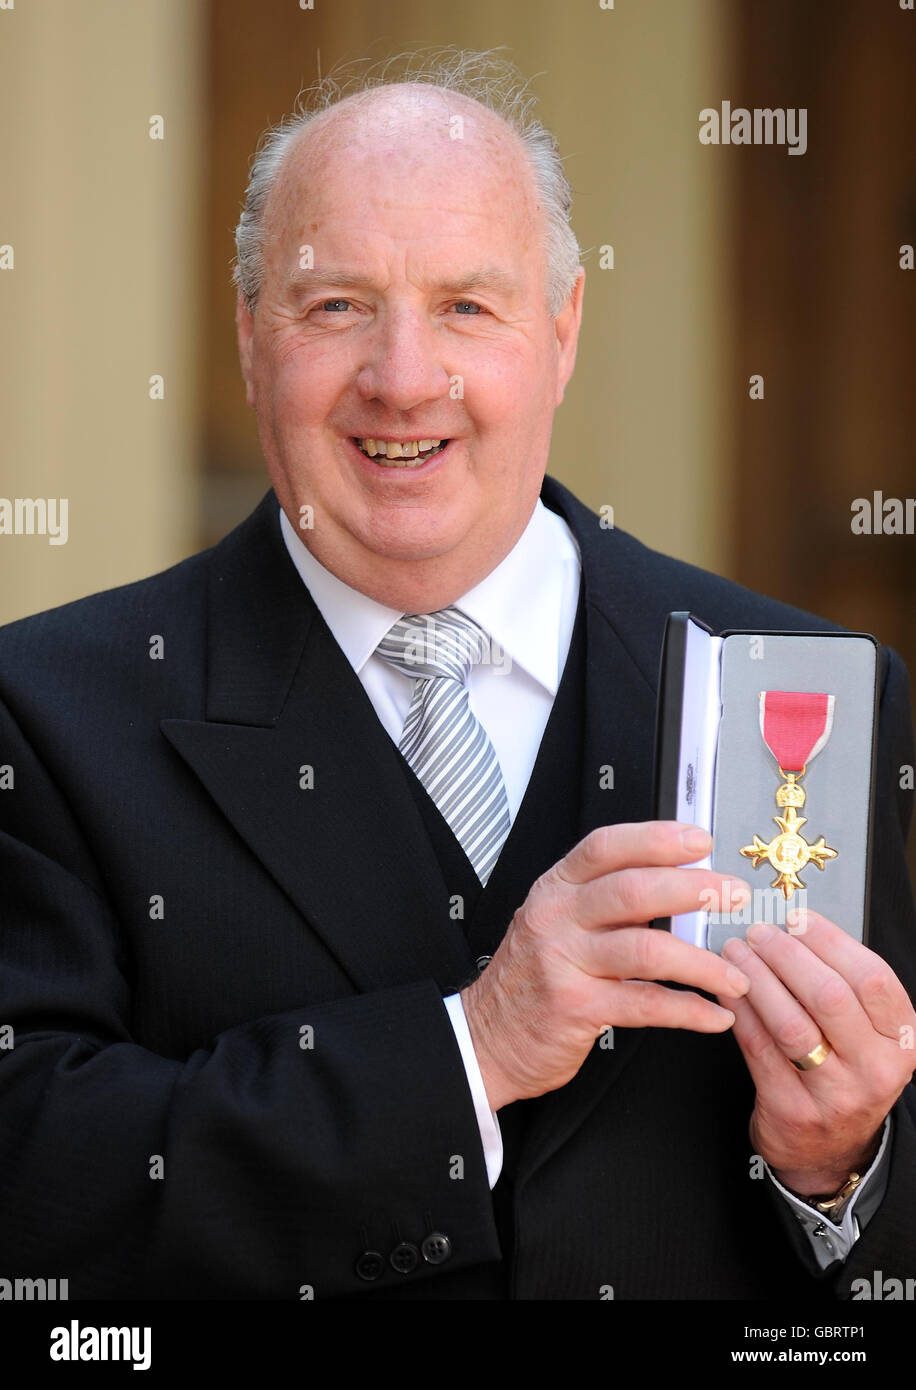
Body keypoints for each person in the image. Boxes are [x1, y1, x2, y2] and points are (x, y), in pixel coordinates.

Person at [0, 52, 914, 1301]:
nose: (403, 378)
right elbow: (36, 1188)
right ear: (248, 335)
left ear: (562, 328)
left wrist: (835, 1167)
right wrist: (465, 1051)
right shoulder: (49, 711)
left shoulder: (804, 690)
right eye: (333, 307)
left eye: (467, 308)